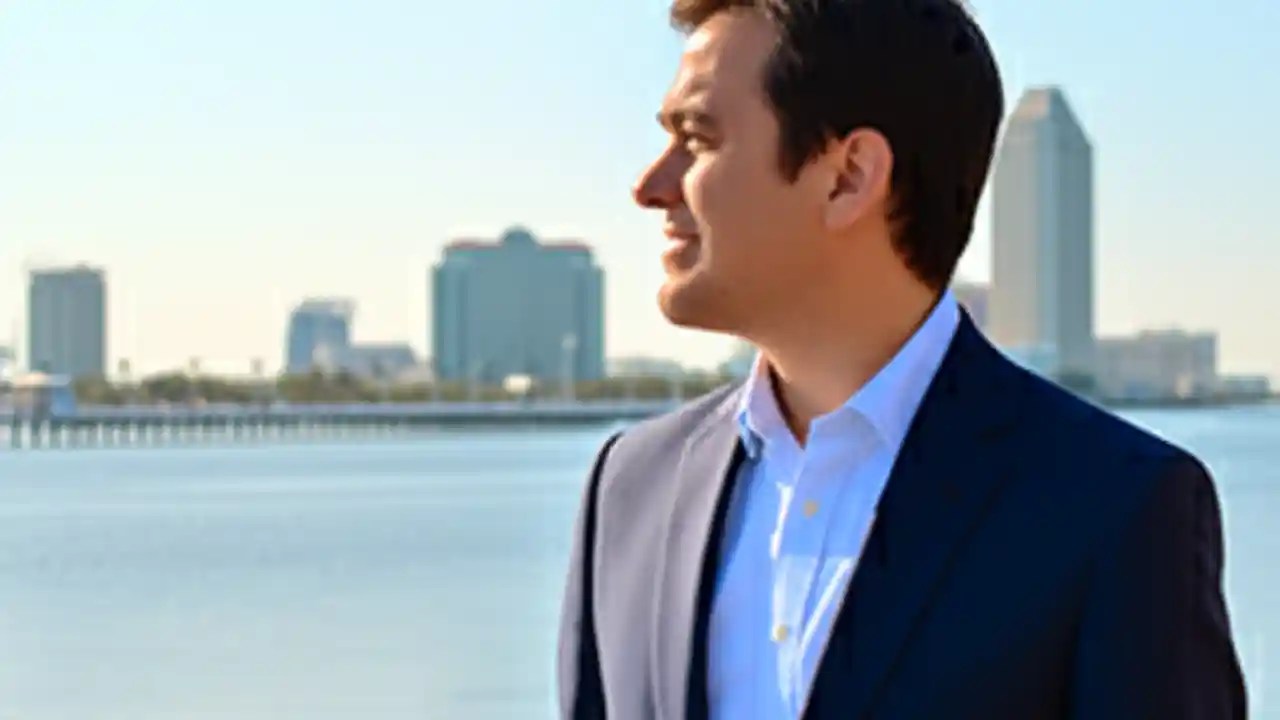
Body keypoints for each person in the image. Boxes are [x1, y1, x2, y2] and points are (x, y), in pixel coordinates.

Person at [557, 0, 1248, 718]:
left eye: (697, 139)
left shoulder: (1114, 509)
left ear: (849, 176)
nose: (650, 185)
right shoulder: (628, 490)